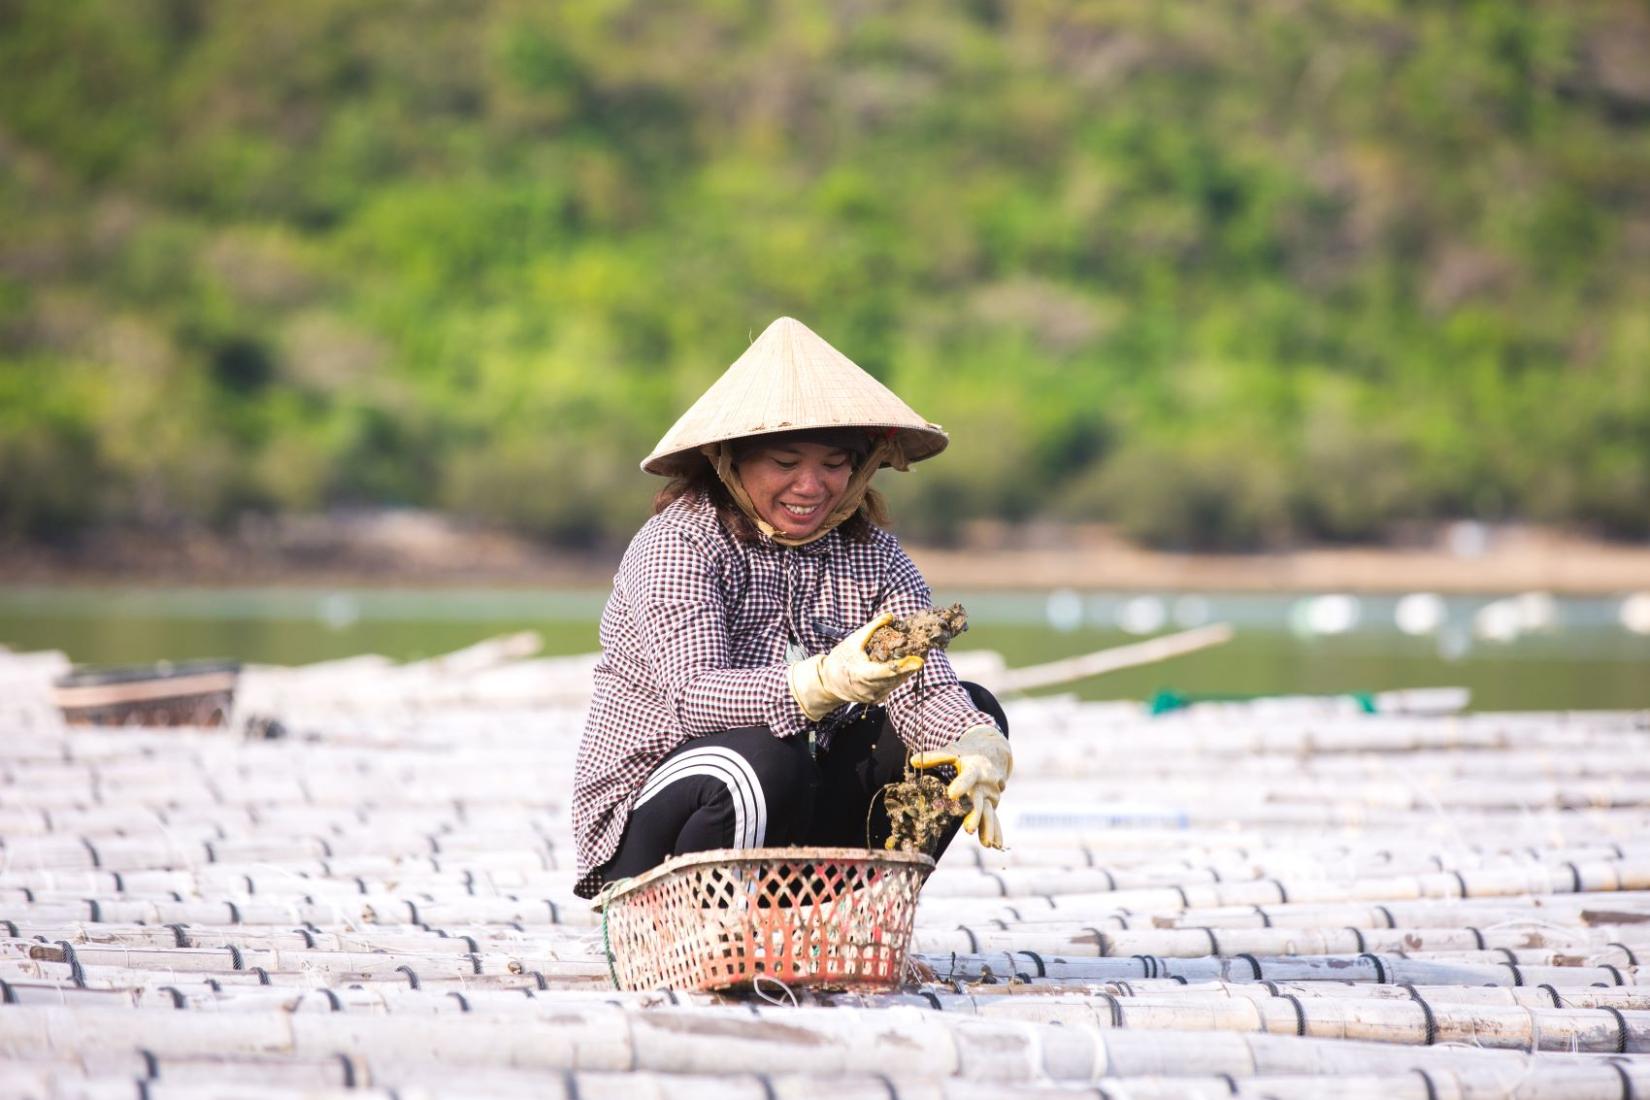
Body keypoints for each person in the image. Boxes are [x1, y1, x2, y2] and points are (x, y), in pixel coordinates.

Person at [572, 317, 1013, 899]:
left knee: (970, 716)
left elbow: (922, 686)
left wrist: (973, 741)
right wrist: (822, 682)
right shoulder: (679, 542)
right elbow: (696, 696)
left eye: (834, 464)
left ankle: (850, 915)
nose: (812, 485)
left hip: (794, 808)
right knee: (762, 760)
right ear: (729, 460)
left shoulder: (876, 555)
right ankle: (715, 931)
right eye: (785, 464)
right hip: (666, 812)